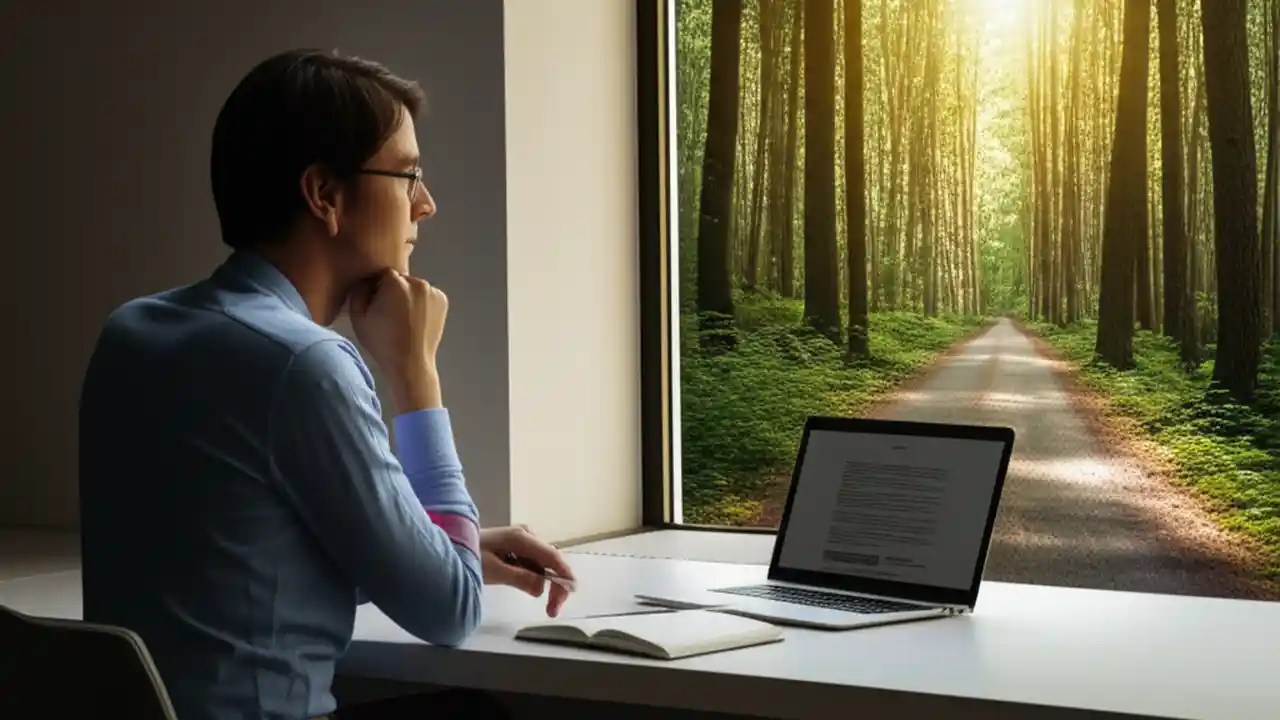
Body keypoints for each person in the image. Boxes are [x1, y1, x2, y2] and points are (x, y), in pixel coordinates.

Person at [77, 48, 575, 720]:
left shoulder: (132, 332)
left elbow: (234, 568)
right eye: (408, 175)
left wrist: (441, 546)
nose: (425, 205)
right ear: (324, 196)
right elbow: (451, 611)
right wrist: (414, 372)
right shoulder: (303, 363)